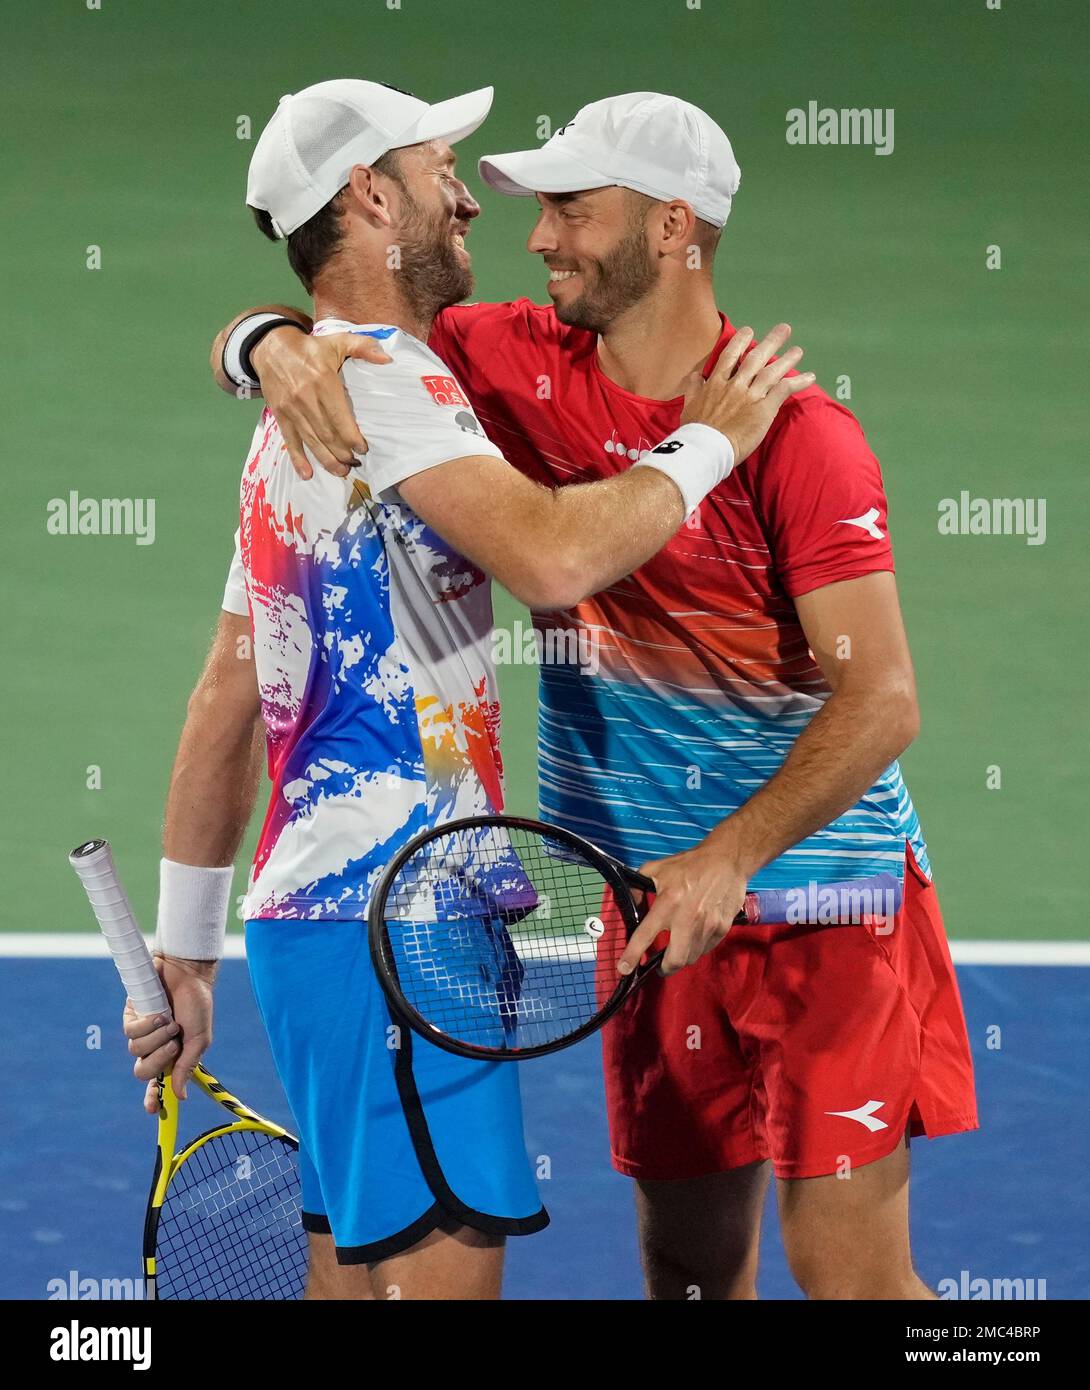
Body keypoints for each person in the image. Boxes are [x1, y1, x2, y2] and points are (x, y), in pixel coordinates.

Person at [211, 90, 979, 1301]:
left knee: (855, 1287)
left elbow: (881, 700)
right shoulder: (501, 363)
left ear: (674, 227)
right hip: (649, 911)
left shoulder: (800, 437)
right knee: (683, 1274)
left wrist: (730, 855)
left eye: (571, 206)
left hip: (816, 899)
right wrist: (265, 342)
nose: (537, 235)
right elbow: (346, 315)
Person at [123, 79, 810, 1301]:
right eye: (440, 165)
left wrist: (188, 952)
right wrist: (709, 440)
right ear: (369, 196)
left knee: (357, 1287)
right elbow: (550, 551)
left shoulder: (310, 405)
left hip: (319, 924)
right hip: (399, 927)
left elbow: (223, 702)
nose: (468, 200)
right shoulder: (376, 385)